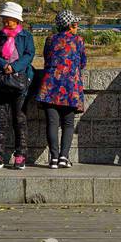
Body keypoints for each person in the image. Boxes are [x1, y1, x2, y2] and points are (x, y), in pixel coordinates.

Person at [0, 1, 35, 170]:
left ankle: (20, 155)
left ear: (17, 20)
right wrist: (3, 65)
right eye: (4, 19)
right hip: (0, 83)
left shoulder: (26, 37)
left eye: (9, 19)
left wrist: (14, 67)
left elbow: (29, 55)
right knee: (0, 121)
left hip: (20, 83)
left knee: (19, 120)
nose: (6, 22)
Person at [35, 9, 86, 169]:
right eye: (75, 24)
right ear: (70, 25)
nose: (77, 27)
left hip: (50, 86)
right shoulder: (78, 40)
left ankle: (54, 159)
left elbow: (46, 58)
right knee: (68, 124)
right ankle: (64, 157)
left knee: (52, 123)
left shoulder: (50, 40)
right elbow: (82, 62)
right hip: (70, 87)